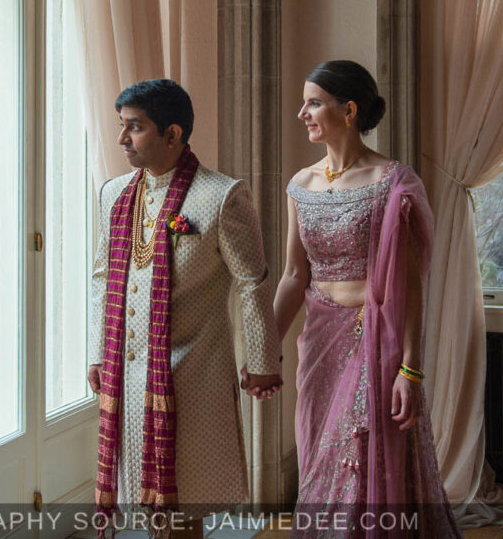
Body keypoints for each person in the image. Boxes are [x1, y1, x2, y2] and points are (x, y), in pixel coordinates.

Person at [272, 61, 462, 537]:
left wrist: (411, 369)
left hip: (377, 342)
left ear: (349, 109)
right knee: (319, 456)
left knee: (361, 457)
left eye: (313, 102)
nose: (302, 114)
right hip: (319, 343)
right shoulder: (301, 185)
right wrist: (263, 347)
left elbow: (411, 284)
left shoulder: (392, 182)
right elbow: (295, 274)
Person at [87, 79, 282, 538]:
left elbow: (252, 284)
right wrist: (97, 352)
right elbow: (102, 278)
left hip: (193, 374)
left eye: (134, 128)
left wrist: (261, 362)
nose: (122, 140)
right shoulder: (114, 194)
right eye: (121, 126)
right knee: (140, 501)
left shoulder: (222, 195)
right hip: (126, 375)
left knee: (183, 505)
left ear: (172, 135)